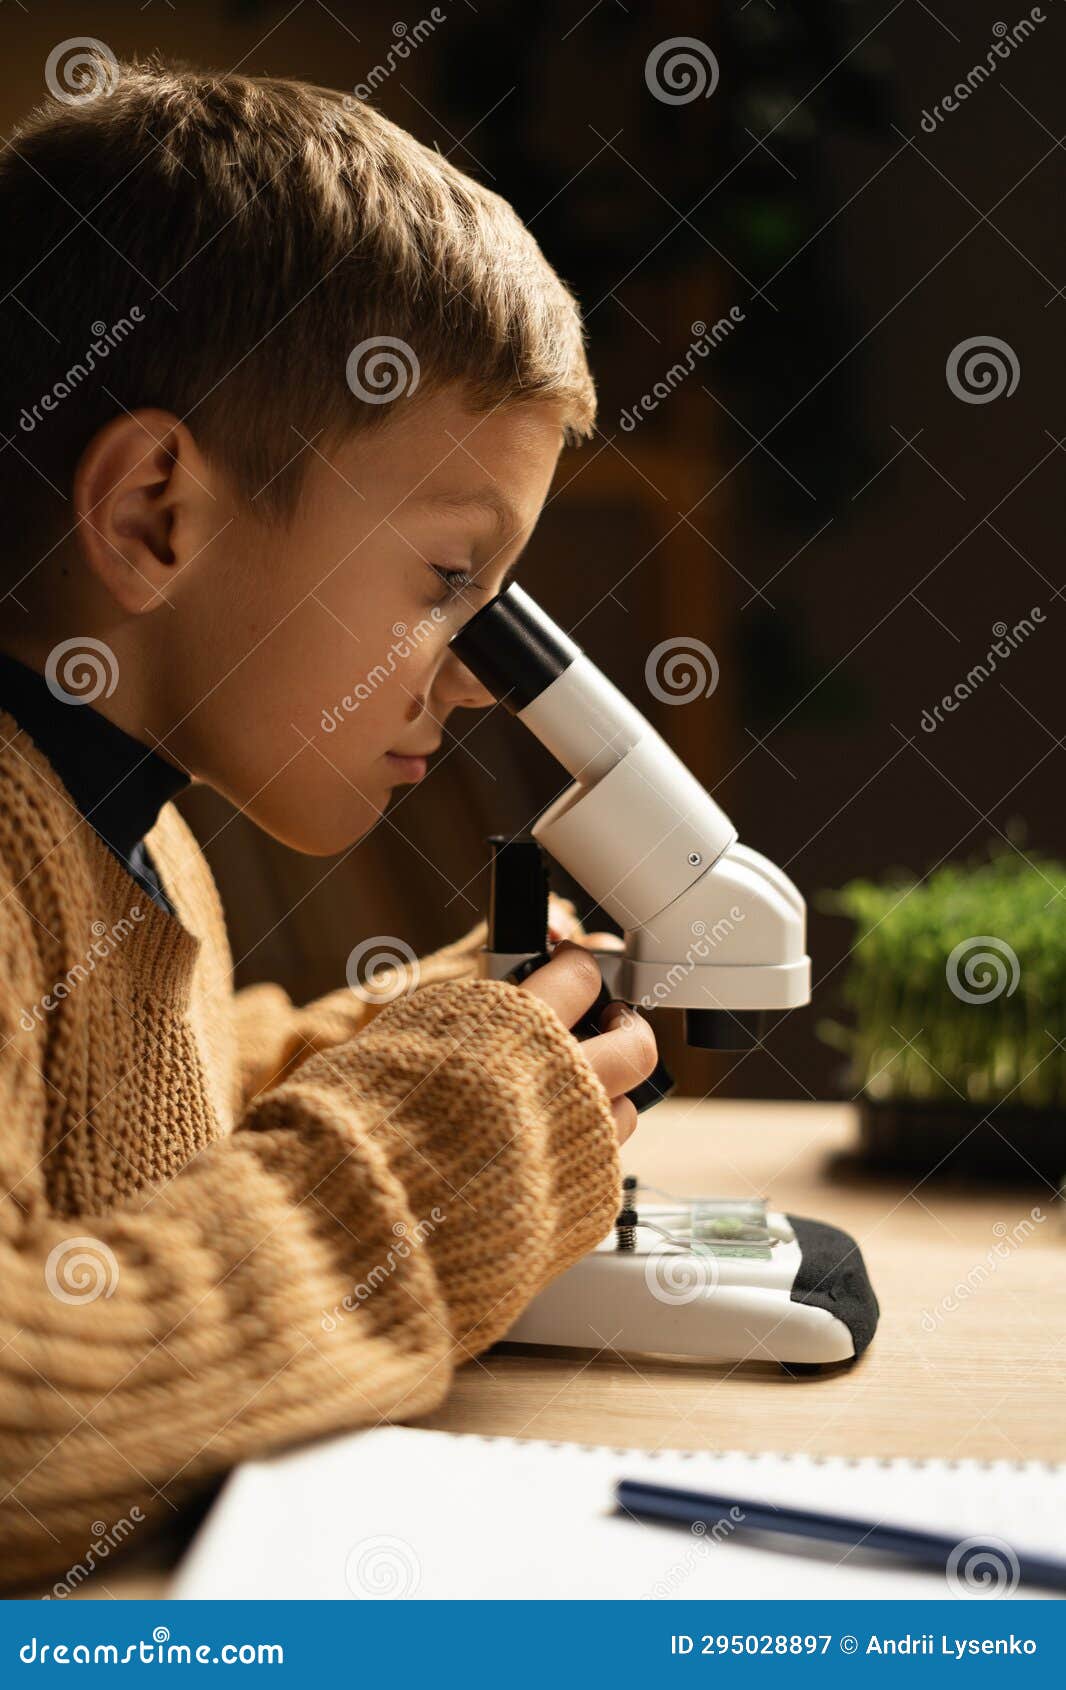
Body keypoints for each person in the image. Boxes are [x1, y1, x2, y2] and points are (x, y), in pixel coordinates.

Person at [0, 59, 658, 1587]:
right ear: (156, 511)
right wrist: (415, 1172)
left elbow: (102, 1133)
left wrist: (388, 1045)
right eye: (446, 582)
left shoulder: (130, 832)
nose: (484, 683)